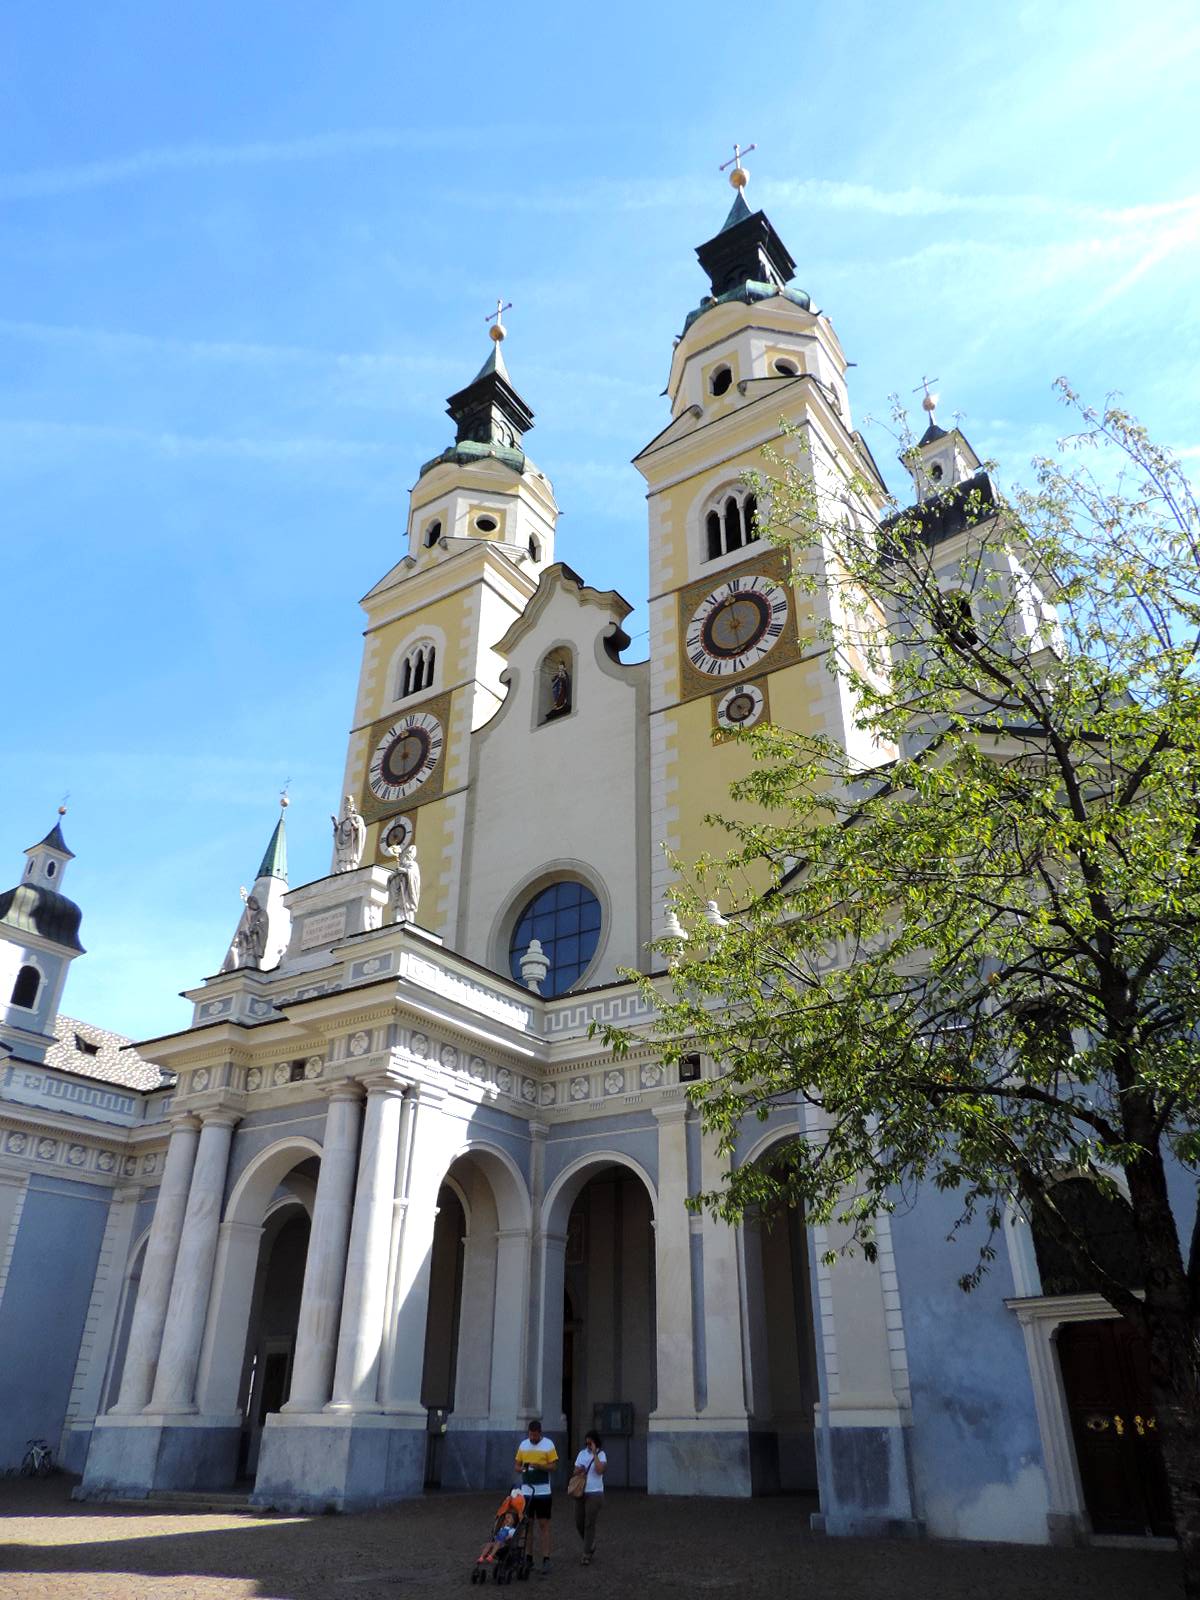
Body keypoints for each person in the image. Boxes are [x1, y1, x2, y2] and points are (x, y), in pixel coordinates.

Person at [514, 1417, 558, 1575]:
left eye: (535, 1435)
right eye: (530, 1435)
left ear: (540, 1433)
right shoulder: (523, 1445)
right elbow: (517, 1464)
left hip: (543, 1492)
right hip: (526, 1492)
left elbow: (553, 1466)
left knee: (544, 1525)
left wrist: (540, 1466)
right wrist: (521, 1469)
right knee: (528, 1524)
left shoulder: (548, 1445)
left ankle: (546, 1558)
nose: (532, 1438)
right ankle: (529, 1557)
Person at [572, 1431, 607, 1565]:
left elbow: (600, 1470)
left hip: (595, 1493)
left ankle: (586, 1553)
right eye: (586, 1443)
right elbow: (575, 1471)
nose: (588, 1445)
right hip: (581, 1492)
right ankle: (590, 1543)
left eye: (590, 1443)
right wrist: (579, 1470)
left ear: (595, 1442)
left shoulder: (602, 1455)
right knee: (578, 1522)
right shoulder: (581, 1454)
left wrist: (594, 1454)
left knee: (589, 1523)